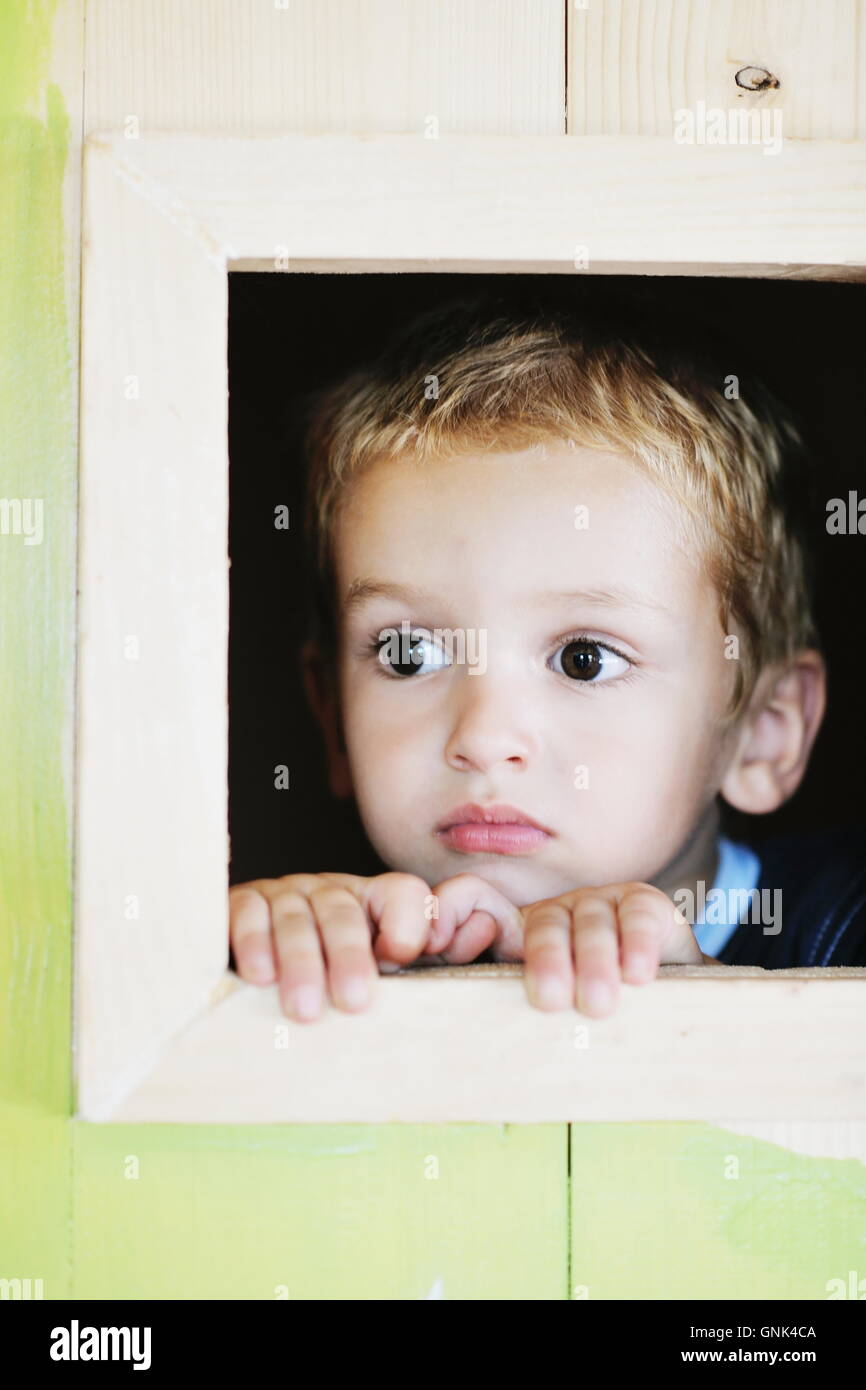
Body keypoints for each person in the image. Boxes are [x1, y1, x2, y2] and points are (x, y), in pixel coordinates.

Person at [228, 289, 866, 1023]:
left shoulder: (840, 925)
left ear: (763, 731)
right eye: (409, 654)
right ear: (334, 717)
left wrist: (703, 1007)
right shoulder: (349, 942)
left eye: (584, 659)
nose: (484, 738)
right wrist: (262, 975)